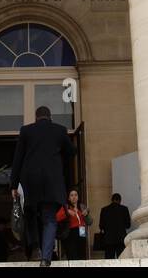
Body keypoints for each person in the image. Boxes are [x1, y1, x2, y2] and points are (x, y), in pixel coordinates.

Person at [10, 105, 76, 267]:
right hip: (52, 181)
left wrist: (13, 184)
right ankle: (46, 258)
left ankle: (35, 248)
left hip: (30, 181)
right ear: (50, 116)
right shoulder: (60, 130)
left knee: (31, 213)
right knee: (50, 219)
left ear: (36, 117)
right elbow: (72, 152)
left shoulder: (26, 131)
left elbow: (17, 158)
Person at [55, 189, 92, 262]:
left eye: (76, 195)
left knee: (82, 256)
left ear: (78, 197)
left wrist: (86, 215)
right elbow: (56, 218)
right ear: (68, 198)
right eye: (71, 195)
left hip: (82, 232)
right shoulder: (66, 207)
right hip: (70, 233)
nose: (74, 197)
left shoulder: (82, 206)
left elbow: (90, 222)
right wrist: (67, 212)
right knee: (73, 256)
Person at [97, 193, 131, 260]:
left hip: (108, 240)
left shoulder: (104, 210)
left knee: (109, 261)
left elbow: (101, 226)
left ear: (111, 200)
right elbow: (128, 225)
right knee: (121, 260)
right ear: (120, 200)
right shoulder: (124, 209)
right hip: (121, 239)